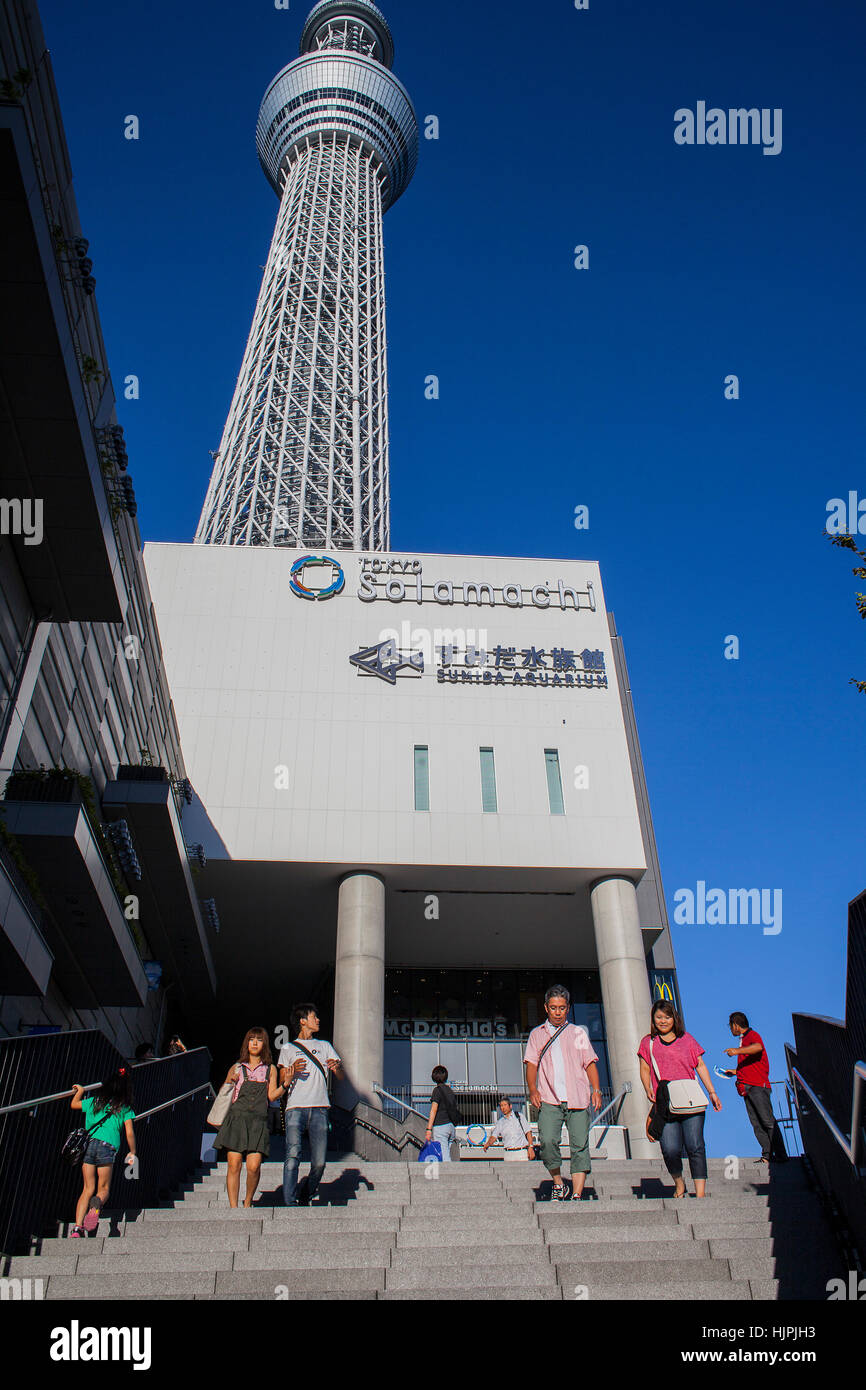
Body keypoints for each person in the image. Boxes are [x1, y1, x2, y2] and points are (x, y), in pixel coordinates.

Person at [524, 985, 603, 1199]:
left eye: (561, 1008)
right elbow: (531, 1064)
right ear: (545, 1008)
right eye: (553, 1008)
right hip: (549, 1098)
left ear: (567, 1008)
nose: (557, 1012)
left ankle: (577, 1193)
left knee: (580, 1146)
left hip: (577, 1098)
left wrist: (596, 1090)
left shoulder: (578, 1033)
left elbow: (590, 1063)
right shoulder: (537, 1034)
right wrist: (533, 1089)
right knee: (548, 1141)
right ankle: (558, 1182)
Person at [638, 1001, 722, 1198]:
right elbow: (644, 1068)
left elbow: (700, 1065)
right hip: (666, 1103)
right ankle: (679, 1183)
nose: (663, 1021)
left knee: (695, 1145)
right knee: (670, 1149)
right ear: (653, 1019)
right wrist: (647, 1087)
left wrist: (712, 1092)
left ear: (674, 1018)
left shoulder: (687, 1039)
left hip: (690, 1099)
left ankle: (700, 1193)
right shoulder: (648, 1043)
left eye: (667, 1017)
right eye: (659, 1017)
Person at [214, 1027, 292, 1207]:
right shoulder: (237, 1067)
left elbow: (271, 1096)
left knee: (254, 1166)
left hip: (258, 1122)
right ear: (246, 1043)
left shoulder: (270, 1069)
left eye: (259, 1039)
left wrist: (285, 1085)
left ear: (264, 1044)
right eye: (251, 1039)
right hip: (236, 1119)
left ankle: (247, 1201)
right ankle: (234, 1206)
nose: (255, 1043)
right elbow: (223, 1094)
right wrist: (228, 1081)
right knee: (234, 1164)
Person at [278, 1004, 343, 1207]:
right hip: (295, 1108)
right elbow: (283, 1080)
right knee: (292, 1155)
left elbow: (340, 1075)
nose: (318, 1020)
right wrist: (291, 1070)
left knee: (320, 1162)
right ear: (302, 1021)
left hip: (320, 1107)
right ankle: (290, 1202)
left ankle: (306, 1191)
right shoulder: (288, 1048)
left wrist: (336, 1068)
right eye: (314, 1017)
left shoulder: (325, 1046)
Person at [68, 1067, 136, 1237]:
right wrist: (132, 1151)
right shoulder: (124, 1108)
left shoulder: (94, 1101)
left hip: (89, 1146)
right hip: (108, 1147)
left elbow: (74, 1104)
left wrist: (81, 1091)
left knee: (87, 1188)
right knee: (103, 1188)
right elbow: (129, 1133)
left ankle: (77, 1228)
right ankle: (97, 1206)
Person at [723, 1012, 787, 1165]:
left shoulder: (752, 1035)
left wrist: (736, 1051)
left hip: (758, 1086)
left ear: (736, 1025)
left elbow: (758, 1047)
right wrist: (735, 1072)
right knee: (757, 1123)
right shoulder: (743, 1040)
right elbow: (752, 1063)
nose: (730, 1029)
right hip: (747, 1086)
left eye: (730, 1026)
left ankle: (781, 1154)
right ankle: (767, 1155)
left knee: (767, 1121)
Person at [425, 1065, 463, 1162]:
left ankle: (449, 1175)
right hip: (451, 1127)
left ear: (434, 1077)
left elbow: (433, 1109)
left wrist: (429, 1129)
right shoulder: (450, 1091)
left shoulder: (437, 1090)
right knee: (446, 1153)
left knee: (444, 1157)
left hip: (441, 1126)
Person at [482, 1096, 536, 1161]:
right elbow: (494, 1136)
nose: (503, 1108)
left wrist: (531, 1147)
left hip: (521, 1152)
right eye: (501, 1106)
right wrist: (488, 1144)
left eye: (505, 1105)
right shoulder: (500, 1122)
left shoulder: (519, 1116)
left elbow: (528, 1132)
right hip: (508, 1154)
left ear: (510, 1106)